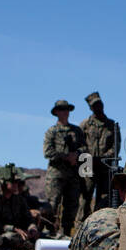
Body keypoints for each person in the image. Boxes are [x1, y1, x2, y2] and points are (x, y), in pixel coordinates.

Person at [43, 99, 86, 238]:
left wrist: (77, 155)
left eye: (66, 109)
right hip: (56, 174)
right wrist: (66, 157)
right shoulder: (52, 132)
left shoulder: (77, 131)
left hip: (73, 174)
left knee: (71, 204)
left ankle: (66, 233)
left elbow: (85, 149)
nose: (65, 112)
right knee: (52, 205)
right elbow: (48, 152)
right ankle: (48, 232)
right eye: (61, 109)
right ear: (56, 112)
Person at [0, 164, 42, 249]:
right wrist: (13, 229)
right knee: (8, 237)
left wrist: (32, 228)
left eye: (18, 182)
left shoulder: (19, 199)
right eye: (13, 182)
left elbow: (28, 218)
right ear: (4, 183)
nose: (16, 185)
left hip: (20, 231)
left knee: (44, 235)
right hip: (2, 232)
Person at [79, 92, 120, 218]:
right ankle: (81, 226)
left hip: (105, 167)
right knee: (85, 197)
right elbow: (79, 144)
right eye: (94, 105)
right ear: (90, 108)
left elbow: (116, 147)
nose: (98, 107)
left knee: (104, 199)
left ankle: (100, 223)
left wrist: (103, 158)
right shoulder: (84, 125)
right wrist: (89, 157)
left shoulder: (112, 125)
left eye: (99, 103)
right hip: (87, 165)